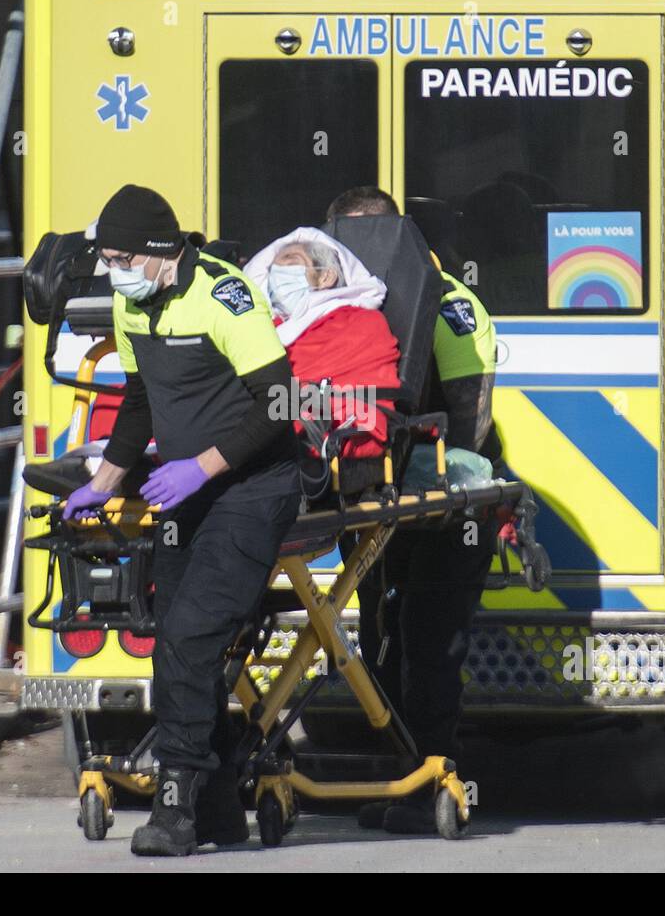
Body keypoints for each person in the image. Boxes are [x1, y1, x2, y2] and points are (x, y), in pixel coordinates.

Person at [62, 185, 301, 857]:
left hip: (253, 487)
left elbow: (279, 398)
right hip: (187, 496)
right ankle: (219, 809)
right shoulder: (132, 304)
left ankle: (175, 807)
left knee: (192, 635)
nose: (111, 271)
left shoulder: (223, 296)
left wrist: (205, 465)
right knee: (173, 634)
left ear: (157, 253)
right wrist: (104, 481)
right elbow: (137, 402)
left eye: (118, 257)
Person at [325, 186, 502, 834]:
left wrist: (436, 482)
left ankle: (432, 781)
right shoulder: (335, 307)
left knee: (429, 643)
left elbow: (470, 421)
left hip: (448, 498)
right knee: (379, 637)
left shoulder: (450, 303)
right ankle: (400, 780)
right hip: (370, 495)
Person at [244, 230, 400, 463]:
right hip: (272, 425)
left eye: (290, 261)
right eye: (272, 269)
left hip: (327, 435)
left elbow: (360, 402)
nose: (276, 275)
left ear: (326, 277)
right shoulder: (265, 327)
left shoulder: (359, 322)